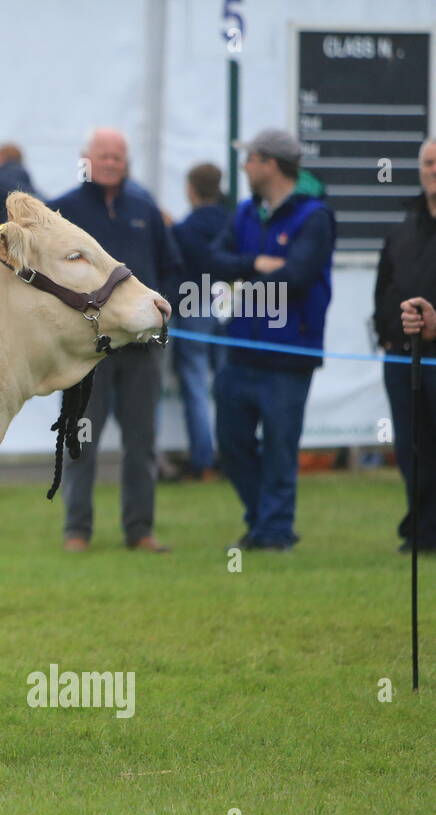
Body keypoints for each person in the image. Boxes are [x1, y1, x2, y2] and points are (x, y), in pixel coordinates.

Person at [49, 127, 182, 553]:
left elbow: (172, 269)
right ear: (86, 159)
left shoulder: (145, 209)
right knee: (81, 440)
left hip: (142, 351)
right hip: (87, 353)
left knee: (141, 443)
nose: (111, 163)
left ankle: (140, 531)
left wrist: (164, 310)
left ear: (127, 163)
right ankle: (77, 531)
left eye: (118, 157)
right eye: (103, 156)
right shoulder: (63, 214)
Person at [209, 128, 335, 551]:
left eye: (250, 159)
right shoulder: (244, 213)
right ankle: (262, 520)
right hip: (240, 350)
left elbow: (297, 276)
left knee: (281, 449)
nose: (244, 167)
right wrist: (255, 264)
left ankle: (275, 531)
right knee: (231, 444)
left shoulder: (314, 217)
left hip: (289, 355)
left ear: (270, 164)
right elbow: (214, 260)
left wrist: (242, 281)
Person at [374, 137, 436, 553]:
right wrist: (393, 331)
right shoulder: (402, 230)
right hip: (402, 358)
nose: (433, 170)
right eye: (428, 163)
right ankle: (421, 528)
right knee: (411, 447)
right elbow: (384, 291)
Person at [170, 162, 229, 480]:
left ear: (191, 189)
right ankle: (230, 454)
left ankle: (203, 459)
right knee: (226, 384)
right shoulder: (232, 221)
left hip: (195, 303)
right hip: (231, 303)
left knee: (195, 385)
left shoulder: (185, 228)